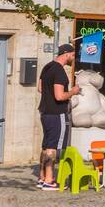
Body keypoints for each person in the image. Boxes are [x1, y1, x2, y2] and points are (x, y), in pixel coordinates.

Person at [37, 43, 82, 190]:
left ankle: (42, 177)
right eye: (73, 55)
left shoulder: (47, 67)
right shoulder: (60, 72)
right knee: (53, 147)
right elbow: (59, 96)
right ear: (67, 54)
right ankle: (49, 180)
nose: (73, 58)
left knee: (46, 146)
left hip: (45, 111)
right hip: (57, 113)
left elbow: (40, 88)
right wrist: (73, 92)